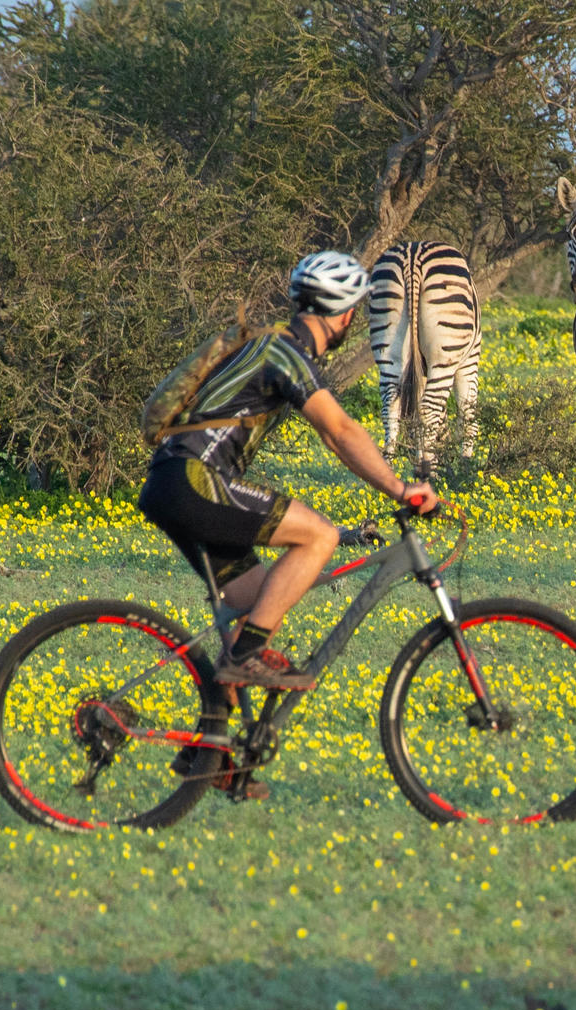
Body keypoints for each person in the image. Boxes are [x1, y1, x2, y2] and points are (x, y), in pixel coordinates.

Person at [138, 250, 438, 691]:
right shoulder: (287, 353)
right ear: (346, 314)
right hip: (193, 480)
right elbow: (338, 430)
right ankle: (243, 659)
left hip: (170, 482)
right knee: (320, 535)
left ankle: (211, 750)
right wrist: (399, 487)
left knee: (265, 604)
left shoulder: (269, 342)